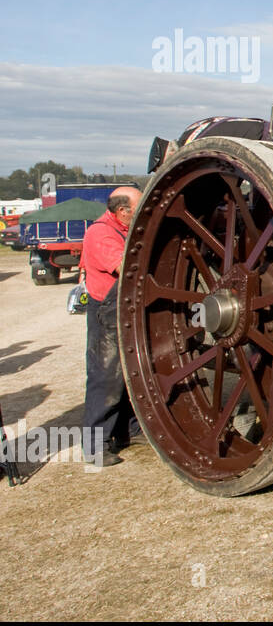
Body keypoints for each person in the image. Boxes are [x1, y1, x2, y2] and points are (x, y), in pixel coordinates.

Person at [81, 186, 142, 467]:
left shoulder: (124, 228)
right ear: (122, 211)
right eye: (137, 208)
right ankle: (95, 447)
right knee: (106, 377)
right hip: (107, 310)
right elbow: (124, 267)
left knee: (130, 370)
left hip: (125, 307)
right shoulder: (101, 232)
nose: (141, 213)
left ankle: (128, 430)